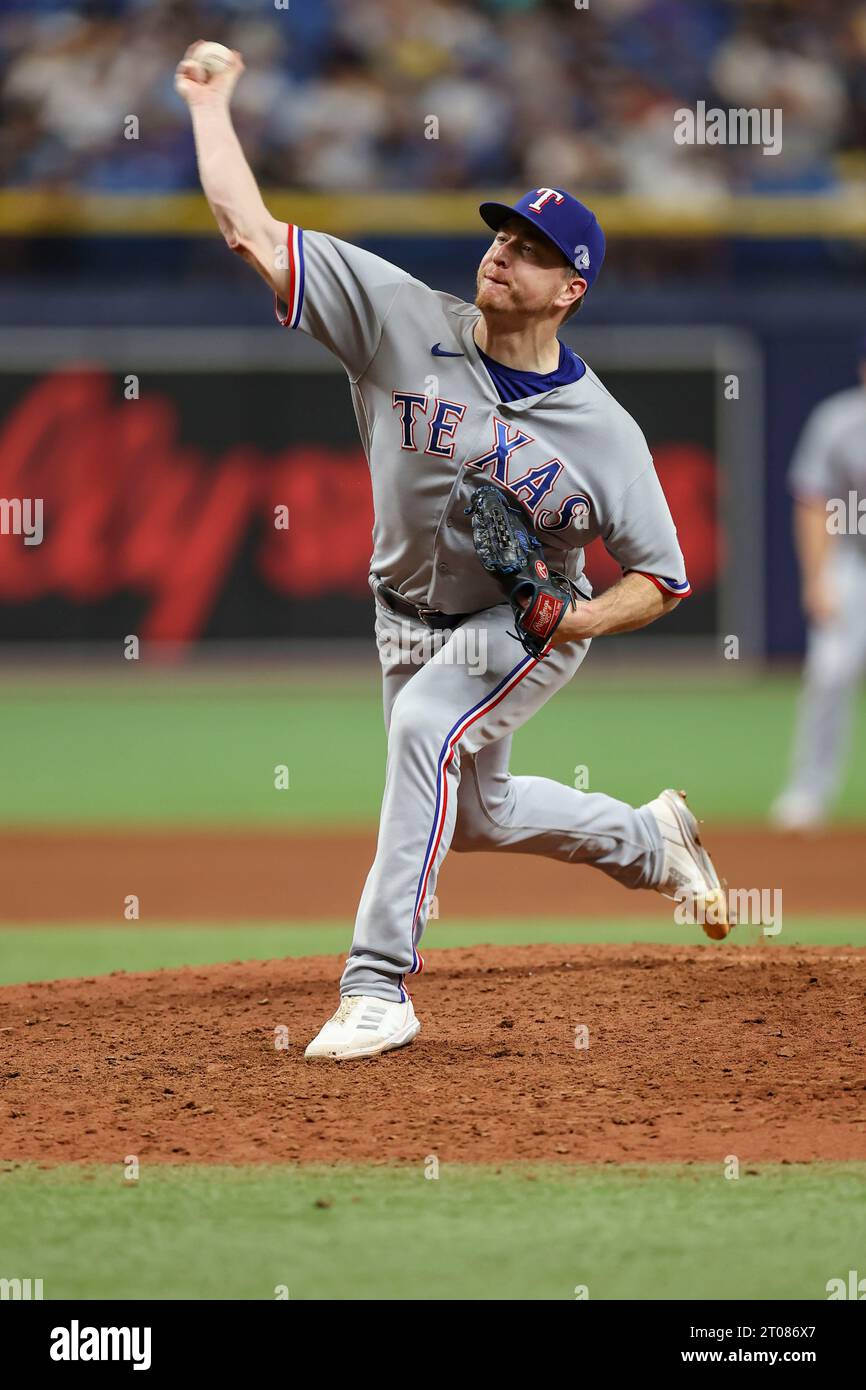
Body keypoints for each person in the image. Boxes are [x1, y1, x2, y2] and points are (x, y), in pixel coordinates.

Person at [176, 42, 728, 1062]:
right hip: (400, 614)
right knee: (472, 811)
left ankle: (377, 984)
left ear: (570, 289)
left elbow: (661, 577)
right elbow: (247, 231)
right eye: (501, 233)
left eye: (530, 248)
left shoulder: (603, 430)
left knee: (424, 730)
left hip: (519, 621)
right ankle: (650, 840)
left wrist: (576, 616)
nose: (501, 253)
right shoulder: (399, 320)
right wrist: (210, 106)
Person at [771, 341, 866, 830]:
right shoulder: (838, 421)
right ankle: (808, 793)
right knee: (829, 672)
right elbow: (813, 503)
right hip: (852, 559)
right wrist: (817, 580)